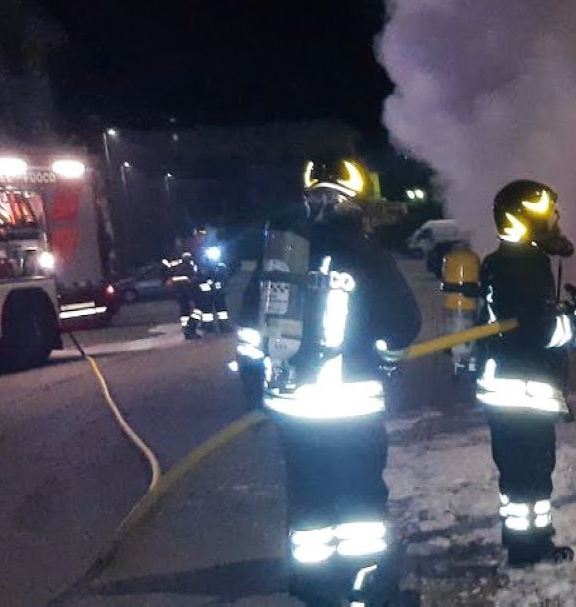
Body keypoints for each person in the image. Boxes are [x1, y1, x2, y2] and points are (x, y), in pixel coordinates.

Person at [238, 154, 421, 606]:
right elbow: (404, 324)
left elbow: (248, 331)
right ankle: (367, 590)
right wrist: (389, 360)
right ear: (354, 200)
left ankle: (316, 591)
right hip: (351, 408)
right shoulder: (367, 254)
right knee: (359, 504)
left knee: (309, 500)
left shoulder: (280, 255)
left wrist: (257, 395)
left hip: (293, 411)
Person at [475, 179, 576, 567]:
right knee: (533, 475)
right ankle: (531, 548)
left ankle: (519, 539)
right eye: (546, 215)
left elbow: (518, 321)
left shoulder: (497, 261)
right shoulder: (527, 265)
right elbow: (540, 333)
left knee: (515, 474)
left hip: (500, 388)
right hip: (524, 389)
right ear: (522, 218)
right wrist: (575, 324)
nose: (554, 221)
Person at [162, 250, 202, 340]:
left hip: (178, 290)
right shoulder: (191, 263)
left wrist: (167, 280)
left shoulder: (173, 262)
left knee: (184, 310)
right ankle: (190, 328)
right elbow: (195, 276)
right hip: (189, 288)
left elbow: (165, 271)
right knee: (199, 307)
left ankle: (186, 331)